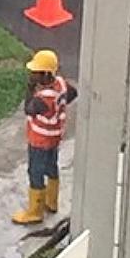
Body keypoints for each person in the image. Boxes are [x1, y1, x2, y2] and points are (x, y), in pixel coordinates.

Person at [12, 49, 79, 225]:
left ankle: (35, 211)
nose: (32, 75)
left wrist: (30, 89)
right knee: (51, 167)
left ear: (45, 74)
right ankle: (52, 201)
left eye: (35, 73)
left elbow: (28, 108)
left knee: (35, 172)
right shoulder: (62, 85)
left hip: (39, 140)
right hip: (54, 138)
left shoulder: (43, 98)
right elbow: (73, 94)